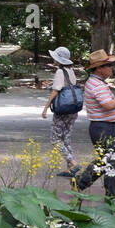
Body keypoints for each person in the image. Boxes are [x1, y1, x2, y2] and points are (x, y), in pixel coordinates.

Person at [73, 49, 115, 197]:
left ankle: (80, 182)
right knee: (112, 161)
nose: (111, 68)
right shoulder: (97, 84)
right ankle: (111, 195)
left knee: (105, 160)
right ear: (99, 68)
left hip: (103, 127)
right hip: (106, 127)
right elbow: (108, 105)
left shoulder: (96, 82)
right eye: (108, 66)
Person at [41, 46, 81, 175]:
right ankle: (70, 168)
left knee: (55, 139)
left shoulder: (59, 72)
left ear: (58, 59)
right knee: (66, 138)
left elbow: (56, 90)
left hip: (62, 110)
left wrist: (46, 107)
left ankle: (73, 162)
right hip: (73, 109)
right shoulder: (71, 70)